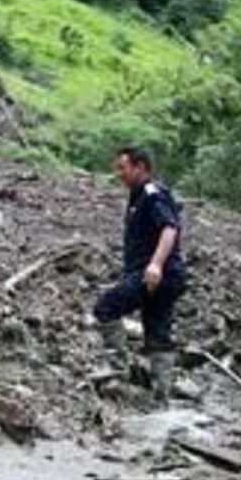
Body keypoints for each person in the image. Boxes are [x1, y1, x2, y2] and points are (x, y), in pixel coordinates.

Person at [92, 146, 186, 397]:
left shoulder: (152, 194)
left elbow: (169, 228)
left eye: (123, 168)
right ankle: (161, 394)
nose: (119, 174)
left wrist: (155, 265)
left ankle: (120, 369)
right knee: (158, 330)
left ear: (140, 167)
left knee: (106, 308)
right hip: (165, 275)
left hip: (155, 273)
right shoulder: (138, 196)